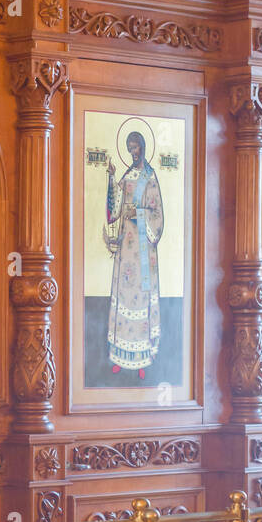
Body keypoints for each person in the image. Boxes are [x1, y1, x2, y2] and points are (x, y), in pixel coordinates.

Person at [103, 131, 164, 380]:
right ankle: (120, 356)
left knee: (140, 299)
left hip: (142, 250)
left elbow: (157, 216)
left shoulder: (150, 178)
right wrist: (111, 177)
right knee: (124, 297)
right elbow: (115, 207)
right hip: (126, 249)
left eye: (136, 148)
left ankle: (141, 361)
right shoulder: (128, 175)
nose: (133, 152)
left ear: (143, 147)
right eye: (130, 148)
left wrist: (138, 214)